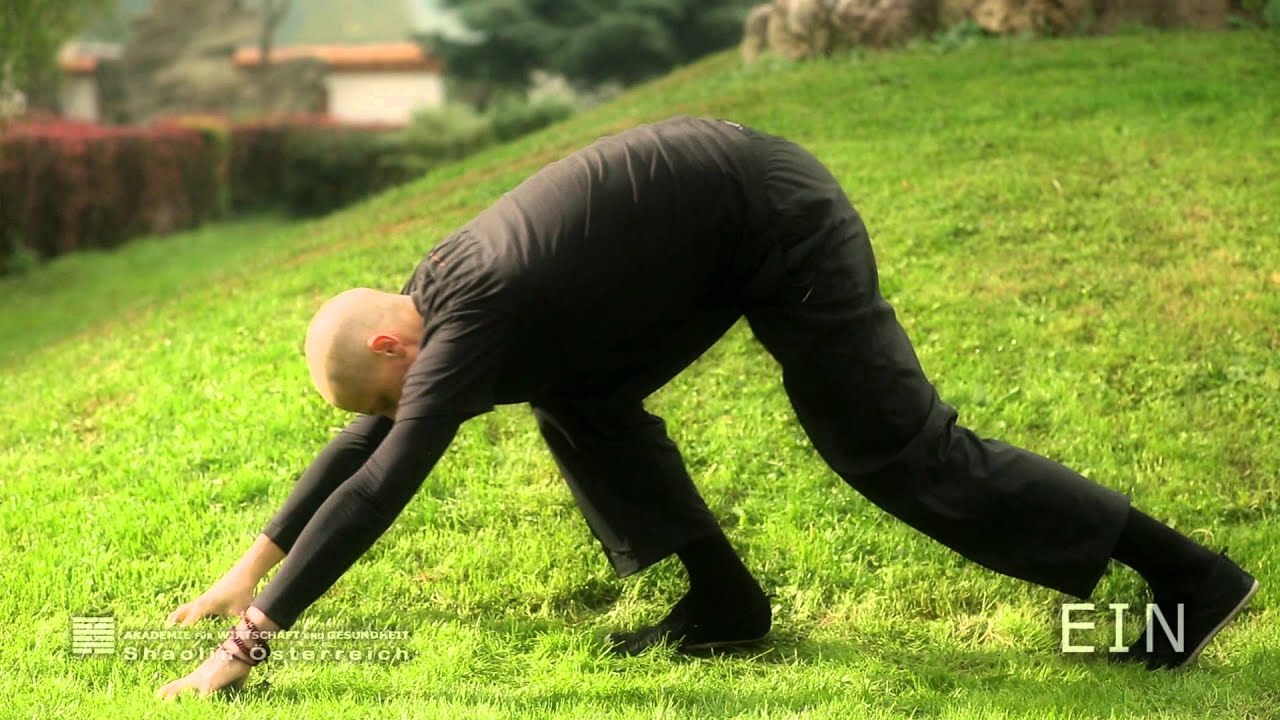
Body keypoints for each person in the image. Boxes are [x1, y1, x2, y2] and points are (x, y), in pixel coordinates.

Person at [157, 116, 1258, 700]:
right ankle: (726, 609)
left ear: (394, 345)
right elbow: (366, 439)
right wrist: (244, 571)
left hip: (779, 224)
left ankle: (1185, 581)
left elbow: (385, 480)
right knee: (578, 397)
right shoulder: (433, 299)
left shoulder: (470, 313)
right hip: (711, 230)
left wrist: (244, 654)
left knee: (900, 455)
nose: (407, 410)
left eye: (398, 391)